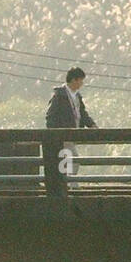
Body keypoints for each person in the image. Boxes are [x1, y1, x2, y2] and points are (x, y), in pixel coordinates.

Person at [44, 67, 97, 195]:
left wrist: (92, 125)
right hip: (63, 135)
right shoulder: (60, 95)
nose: (82, 84)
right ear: (74, 80)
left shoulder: (76, 96)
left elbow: (82, 114)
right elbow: (50, 116)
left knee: (66, 161)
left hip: (71, 135)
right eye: (80, 80)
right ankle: (71, 184)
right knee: (73, 159)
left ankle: (65, 184)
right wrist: (55, 133)